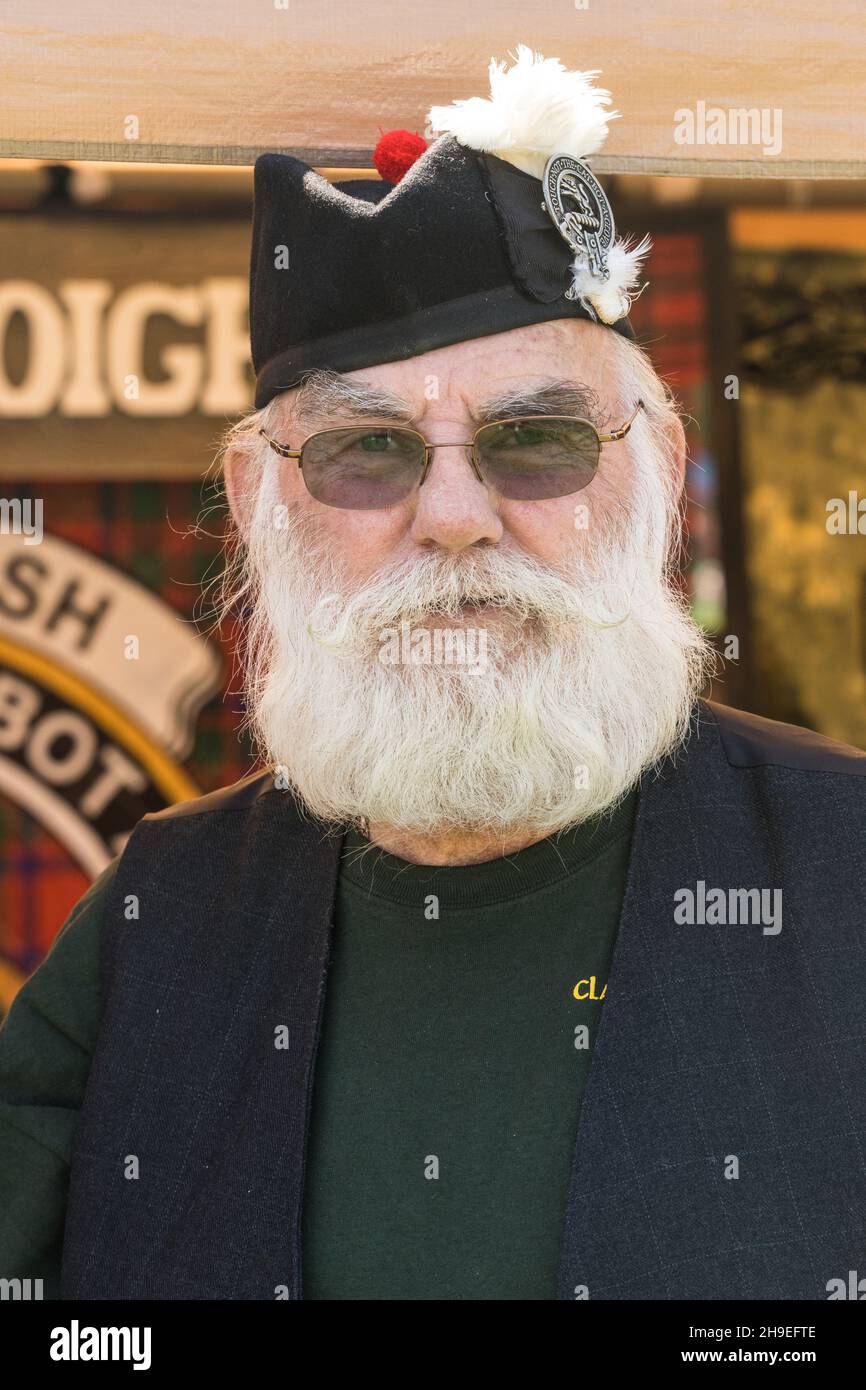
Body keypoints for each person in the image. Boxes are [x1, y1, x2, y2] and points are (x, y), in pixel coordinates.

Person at [1, 44, 864, 1302]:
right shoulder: (161, 920)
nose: (453, 514)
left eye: (537, 439)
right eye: (365, 448)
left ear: (656, 471)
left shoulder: (847, 864)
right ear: (256, 500)